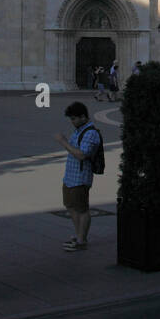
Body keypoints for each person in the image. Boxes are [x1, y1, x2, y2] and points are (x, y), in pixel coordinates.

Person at [54, 102, 101, 252]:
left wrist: (63, 142)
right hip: (70, 176)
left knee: (82, 209)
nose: (72, 122)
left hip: (81, 177)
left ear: (83, 117)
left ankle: (82, 240)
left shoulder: (90, 133)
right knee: (70, 206)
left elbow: (82, 154)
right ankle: (79, 234)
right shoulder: (79, 130)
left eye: (74, 118)